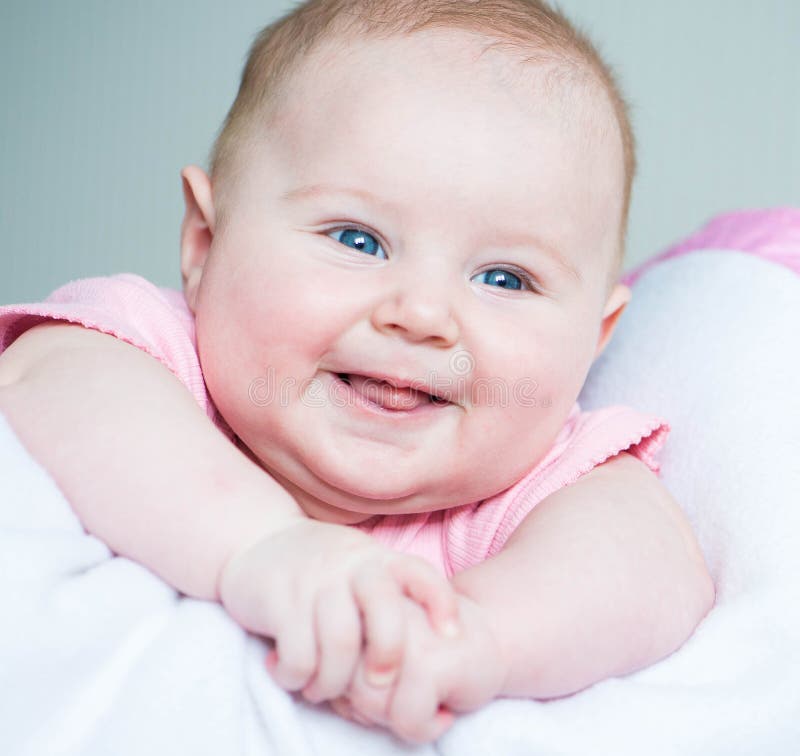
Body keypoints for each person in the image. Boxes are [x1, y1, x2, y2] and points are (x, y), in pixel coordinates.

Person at [0, 0, 715, 745]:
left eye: (505, 279)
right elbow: (54, 384)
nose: (422, 313)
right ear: (206, 244)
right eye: (359, 239)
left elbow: (654, 570)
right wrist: (262, 548)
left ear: (594, 341)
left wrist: (486, 637)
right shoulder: (154, 352)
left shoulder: (539, 480)